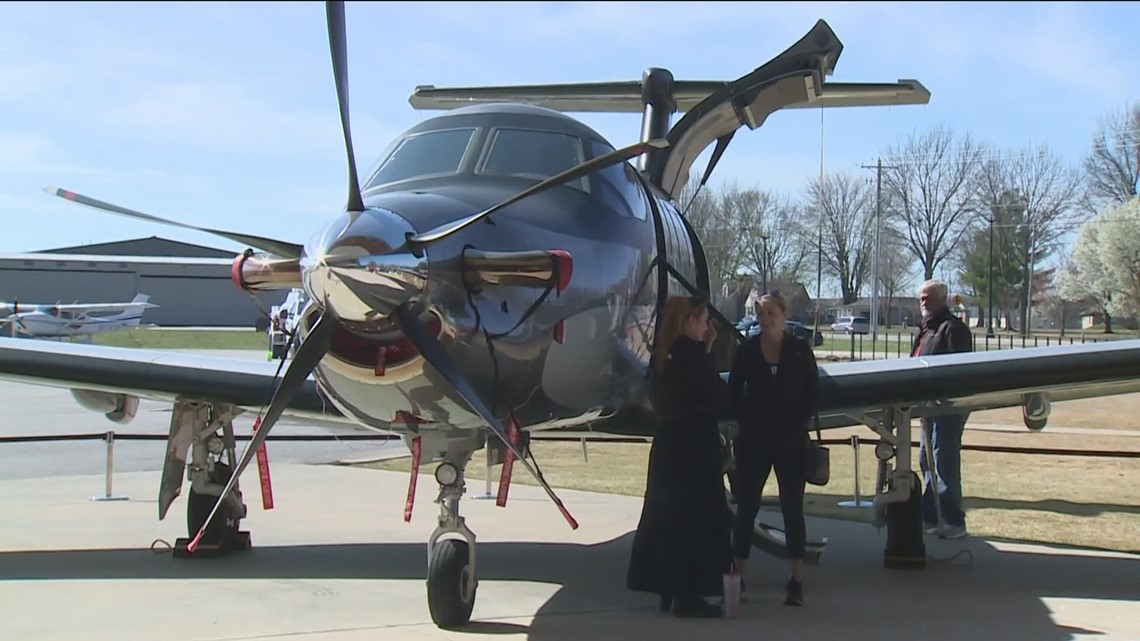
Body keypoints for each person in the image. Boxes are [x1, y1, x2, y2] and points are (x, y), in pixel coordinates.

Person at [626, 295, 733, 618]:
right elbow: (717, 396)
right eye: (702, 320)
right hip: (694, 447)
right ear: (688, 322)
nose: (708, 326)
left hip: (669, 445)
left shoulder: (662, 357)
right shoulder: (693, 357)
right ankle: (689, 594)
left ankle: (668, 588)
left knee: (667, 518)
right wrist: (708, 356)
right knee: (696, 520)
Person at [726, 291, 819, 606]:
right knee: (747, 507)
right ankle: (737, 576)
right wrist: (746, 421)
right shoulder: (748, 350)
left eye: (771, 314)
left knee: (792, 507)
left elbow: (812, 391)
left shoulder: (798, 350)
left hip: (791, 442)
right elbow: (734, 391)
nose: (766, 319)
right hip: (754, 442)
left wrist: (798, 424)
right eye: (761, 314)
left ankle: (796, 579)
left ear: (783, 314)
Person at [911, 279, 973, 540]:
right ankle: (931, 514)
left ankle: (953, 519)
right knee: (927, 459)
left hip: (946, 408)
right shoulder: (925, 330)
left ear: (942, 300)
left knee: (943, 459)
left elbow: (960, 371)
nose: (923, 302)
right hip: (927, 409)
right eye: (921, 298)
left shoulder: (953, 329)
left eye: (928, 297)